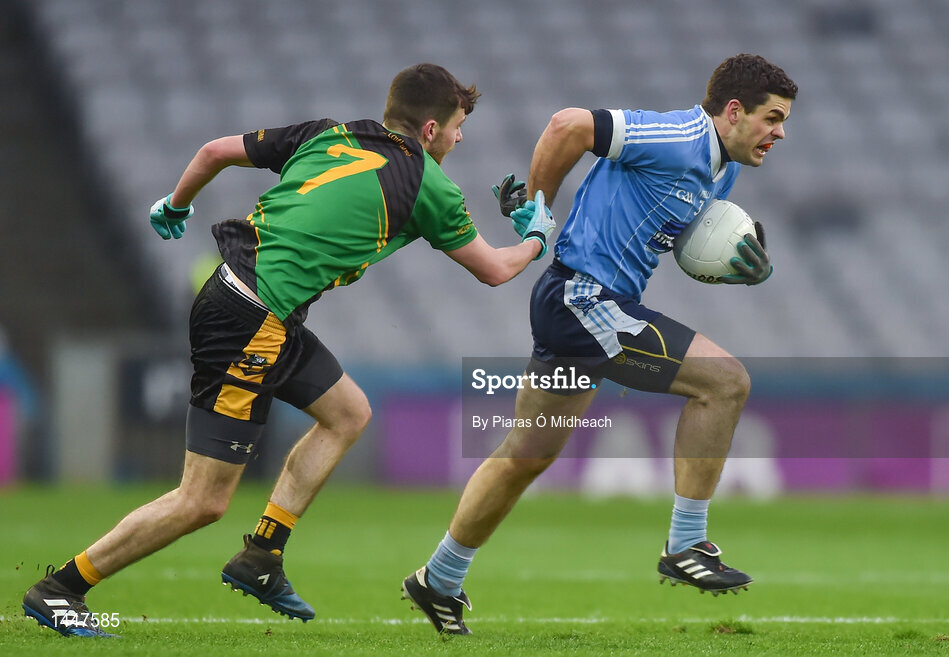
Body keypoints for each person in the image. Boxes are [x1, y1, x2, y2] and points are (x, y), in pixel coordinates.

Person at [22, 62, 555, 638]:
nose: (458, 139)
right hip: (253, 319)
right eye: (455, 128)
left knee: (349, 413)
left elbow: (212, 152)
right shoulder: (427, 182)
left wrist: (176, 204)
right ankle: (62, 589)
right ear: (428, 130)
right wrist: (536, 237)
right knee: (202, 500)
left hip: (247, 300)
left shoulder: (328, 133)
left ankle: (262, 556)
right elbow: (497, 271)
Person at [401, 53, 797, 635]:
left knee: (526, 455)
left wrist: (745, 268)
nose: (780, 133)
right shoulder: (679, 136)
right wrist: (537, 211)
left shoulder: (722, 170)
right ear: (733, 112)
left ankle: (439, 578)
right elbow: (568, 125)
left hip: (580, 303)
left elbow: (689, 244)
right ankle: (686, 544)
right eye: (772, 117)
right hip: (586, 300)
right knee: (725, 381)